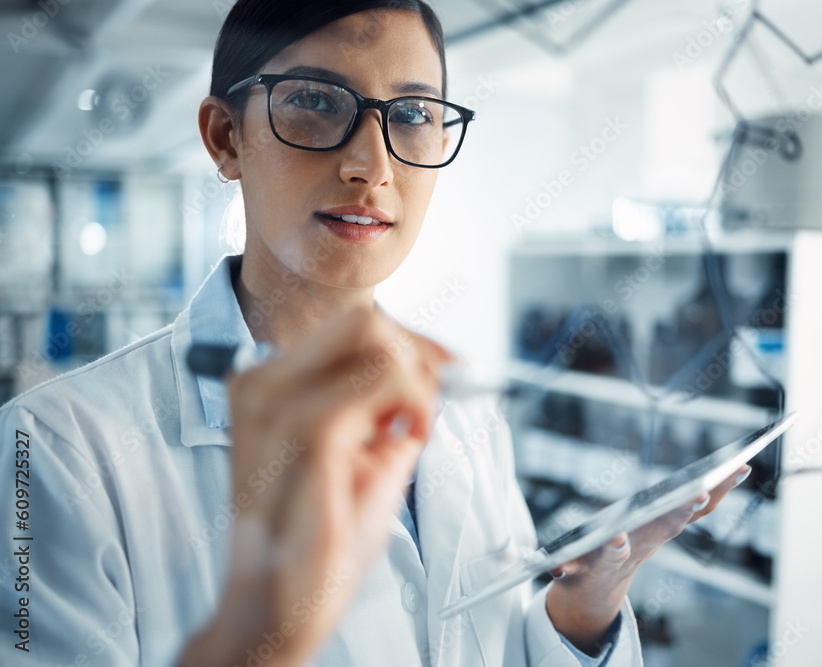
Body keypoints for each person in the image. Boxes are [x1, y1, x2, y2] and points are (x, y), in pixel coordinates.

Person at [0, 1, 748, 665]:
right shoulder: (58, 449)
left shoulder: (464, 419)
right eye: (315, 103)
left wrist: (581, 618)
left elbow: (490, 638)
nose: (371, 165)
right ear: (226, 137)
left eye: (415, 114)